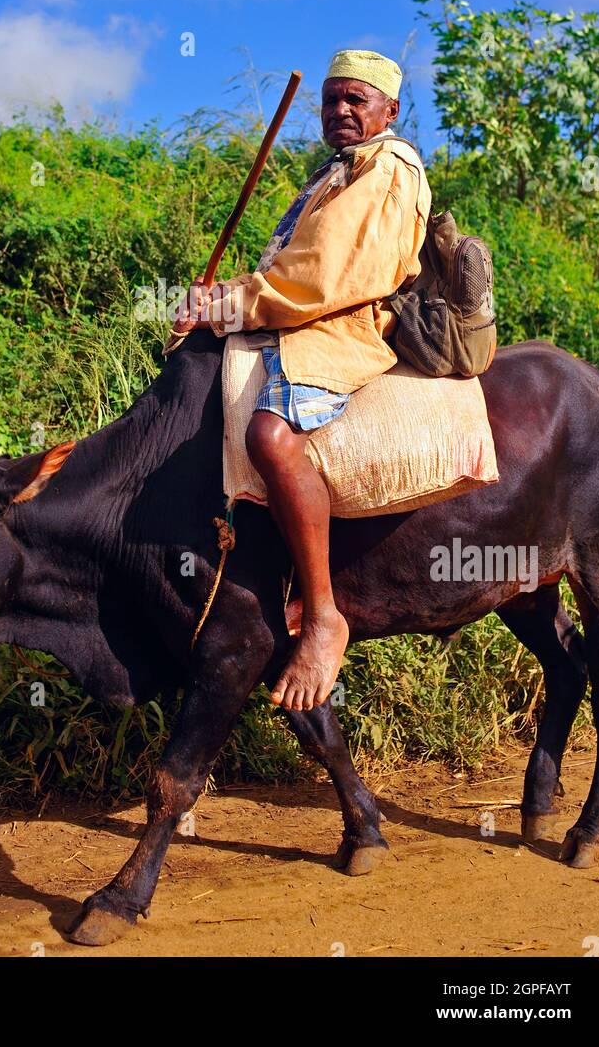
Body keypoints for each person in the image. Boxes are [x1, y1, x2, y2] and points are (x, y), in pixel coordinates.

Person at [173, 49, 431, 711]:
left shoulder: (390, 168)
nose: (340, 111)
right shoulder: (334, 172)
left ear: (389, 112)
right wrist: (213, 310)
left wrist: (228, 302)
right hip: (302, 317)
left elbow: (322, 278)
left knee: (271, 432)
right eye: (331, 100)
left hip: (344, 326)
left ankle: (322, 615)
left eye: (355, 100)